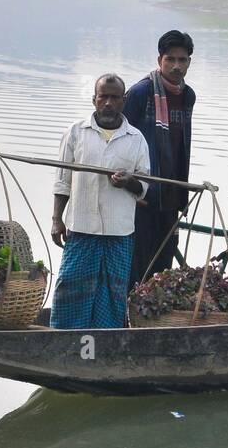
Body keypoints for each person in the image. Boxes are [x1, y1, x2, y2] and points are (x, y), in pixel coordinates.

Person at [50, 74, 149, 329]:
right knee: (71, 286)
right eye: (103, 97)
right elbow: (63, 181)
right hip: (82, 227)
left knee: (112, 294)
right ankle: (64, 340)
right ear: (94, 99)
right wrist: (56, 220)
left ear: (124, 101)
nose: (108, 103)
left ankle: (102, 345)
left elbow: (143, 187)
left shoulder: (136, 138)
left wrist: (129, 182)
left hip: (119, 231)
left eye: (114, 98)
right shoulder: (76, 132)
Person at [124, 30, 195, 291]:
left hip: (171, 195)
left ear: (189, 62)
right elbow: (121, 141)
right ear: (159, 60)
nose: (177, 66)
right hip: (142, 196)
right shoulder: (140, 93)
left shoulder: (188, 96)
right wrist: (134, 187)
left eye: (183, 60)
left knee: (163, 266)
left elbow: (181, 146)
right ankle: (127, 321)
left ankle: (153, 320)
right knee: (137, 263)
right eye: (170, 59)